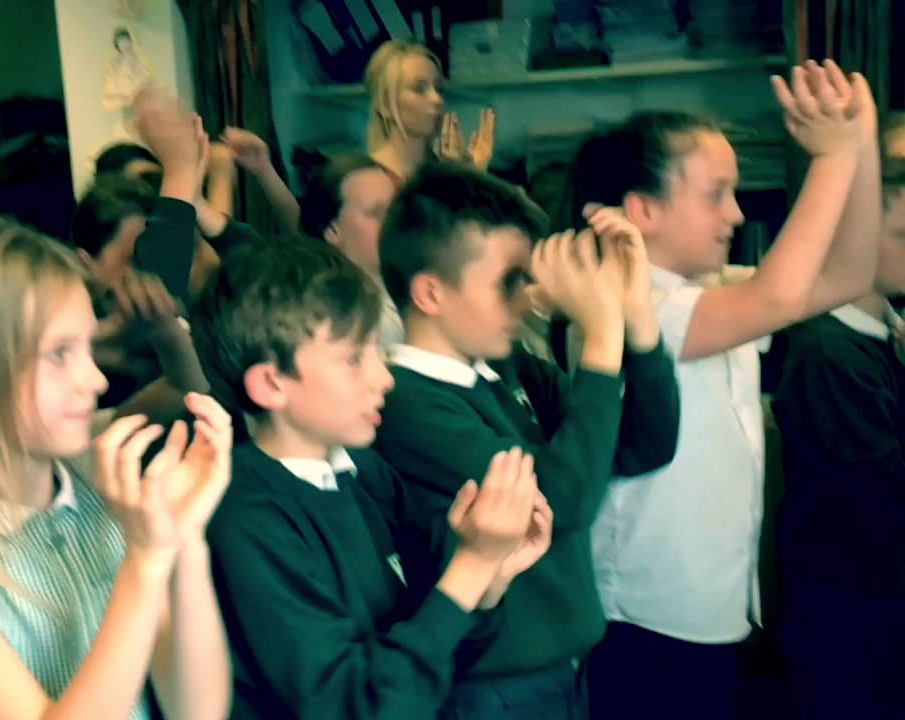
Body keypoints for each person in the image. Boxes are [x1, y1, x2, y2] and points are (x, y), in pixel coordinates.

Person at [556, 60, 881, 719]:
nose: (736, 213)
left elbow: (850, 274)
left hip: (708, 609)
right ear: (644, 211)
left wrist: (861, 136)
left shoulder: (707, 291)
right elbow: (780, 295)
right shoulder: (632, 304)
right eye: (716, 194)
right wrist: (832, 156)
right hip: (647, 617)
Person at [0, 216, 233, 720]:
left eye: (88, 347)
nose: (96, 380)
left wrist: (185, 539)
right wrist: (145, 561)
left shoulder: (105, 500)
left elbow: (199, 711)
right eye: (59, 354)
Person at [190, 237, 552, 719]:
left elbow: (437, 654)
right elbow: (354, 705)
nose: (384, 378)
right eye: (354, 359)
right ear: (272, 384)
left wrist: (489, 577)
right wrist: (470, 567)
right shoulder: (245, 516)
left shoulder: (363, 470)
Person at [373, 162, 681, 720]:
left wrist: (635, 316)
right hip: (493, 687)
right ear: (430, 293)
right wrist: (601, 335)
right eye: (508, 282)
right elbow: (563, 501)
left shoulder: (506, 371)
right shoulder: (405, 404)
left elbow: (646, 444)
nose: (526, 299)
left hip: (560, 670)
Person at [769, 152, 904, 720]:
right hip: (848, 609)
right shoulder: (828, 353)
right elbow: (884, 493)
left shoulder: (884, 335)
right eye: (902, 235)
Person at [298, 153, 402, 348]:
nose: (394, 222)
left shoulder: (408, 284)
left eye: (395, 209)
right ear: (332, 230)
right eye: (376, 213)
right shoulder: (341, 321)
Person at [363, 41, 494, 189]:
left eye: (439, 89)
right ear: (385, 105)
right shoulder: (362, 180)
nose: (438, 99)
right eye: (419, 89)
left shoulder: (442, 172)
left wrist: (473, 175)